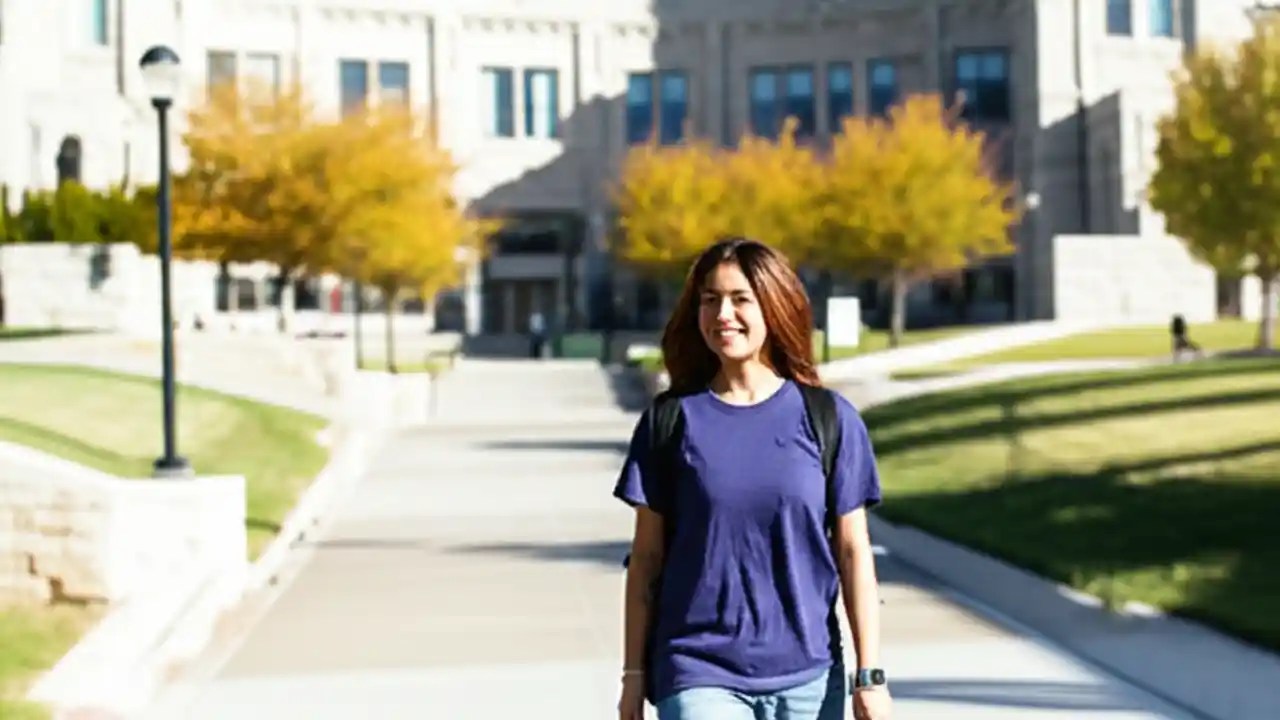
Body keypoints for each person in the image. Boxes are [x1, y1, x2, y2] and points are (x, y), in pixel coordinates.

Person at [614, 237, 892, 720]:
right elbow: (646, 560)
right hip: (698, 670)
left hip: (809, 676)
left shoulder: (829, 419)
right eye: (709, 299)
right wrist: (633, 678)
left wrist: (869, 675)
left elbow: (853, 552)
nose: (723, 313)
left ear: (774, 304)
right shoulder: (671, 421)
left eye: (740, 299)